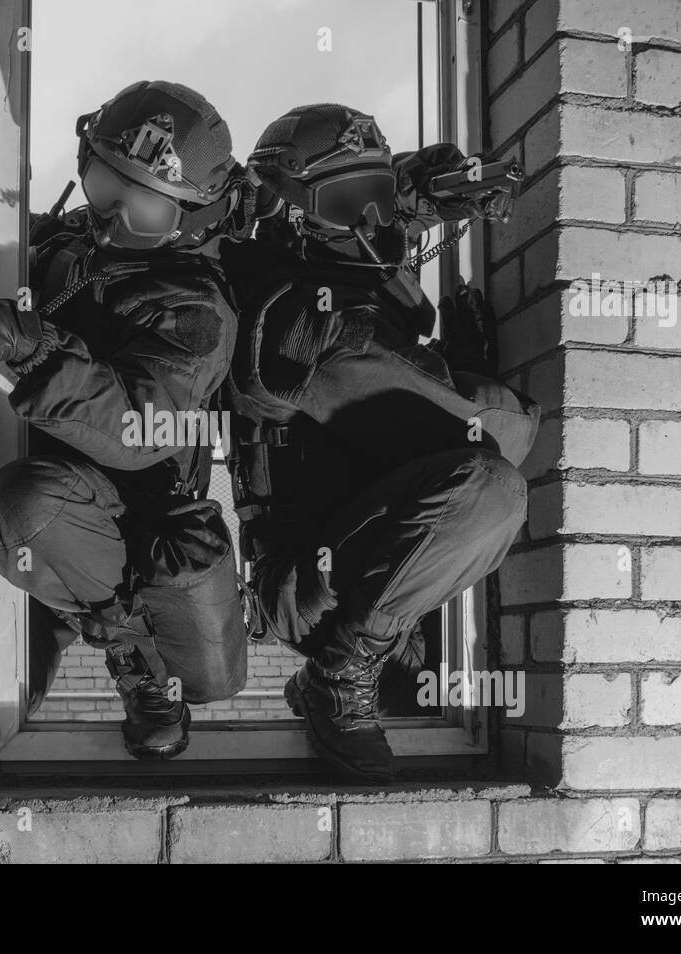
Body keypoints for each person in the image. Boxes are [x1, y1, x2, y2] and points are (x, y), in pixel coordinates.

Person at [0, 81, 252, 759]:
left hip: (111, 535)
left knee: (26, 506)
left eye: (144, 207)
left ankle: (138, 656)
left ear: (188, 218)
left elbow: (135, 424)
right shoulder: (72, 245)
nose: (112, 217)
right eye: (102, 184)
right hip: (40, 535)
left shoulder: (196, 309)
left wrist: (21, 341)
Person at [221, 103, 540, 782]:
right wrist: (465, 377)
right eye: (348, 202)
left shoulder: (347, 271)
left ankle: (347, 670)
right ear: (290, 214)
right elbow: (510, 429)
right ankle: (337, 677)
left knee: (416, 689)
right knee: (495, 487)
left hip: (369, 571)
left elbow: (365, 216)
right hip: (308, 585)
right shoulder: (301, 329)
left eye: (378, 197)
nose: (372, 220)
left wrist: (434, 185)